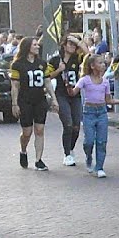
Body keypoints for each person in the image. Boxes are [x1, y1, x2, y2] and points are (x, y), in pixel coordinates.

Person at [69, 54, 119, 178]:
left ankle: (99, 167)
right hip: (89, 113)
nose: (103, 65)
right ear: (92, 66)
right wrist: (69, 88)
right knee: (89, 141)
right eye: (100, 63)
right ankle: (89, 156)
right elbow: (74, 92)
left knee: (102, 141)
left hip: (102, 112)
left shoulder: (106, 82)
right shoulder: (85, 80)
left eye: (103, 63)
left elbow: (108, 100)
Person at [10, 36, 54, 171]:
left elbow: (47, 82)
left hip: (40, 99)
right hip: (25, 100)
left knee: (40, 130)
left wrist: (54, 98)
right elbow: (15, 86)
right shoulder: (17, 65)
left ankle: (38, 160)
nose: (37, 46)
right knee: (27, 132)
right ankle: (23, 150)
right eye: (34, 44)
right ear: (27, 47)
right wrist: (15, 104)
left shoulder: (42, 64)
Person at [47, 35, 84, 166]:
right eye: (70, 44)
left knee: (76, 126)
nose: (73, 47)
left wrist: (77, 41)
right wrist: (59, 70)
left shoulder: (77, 59)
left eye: (75, 45)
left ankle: (71, 148)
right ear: (64, 45)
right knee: (67, 124)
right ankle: (67, 154)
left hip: (75, 95)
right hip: (62, 95)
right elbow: (47, 75)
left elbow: (88, 53)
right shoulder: (55, 60)